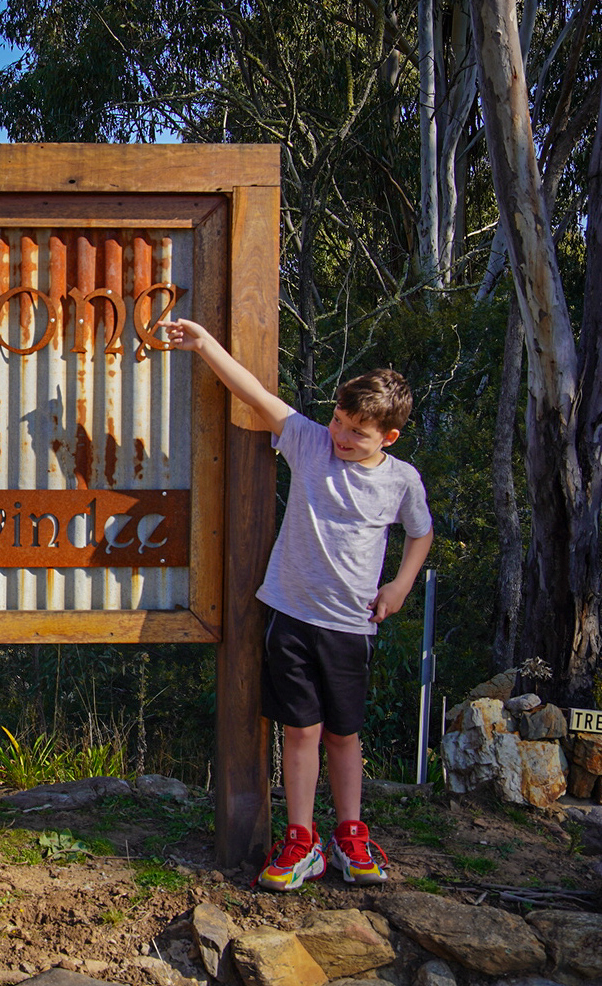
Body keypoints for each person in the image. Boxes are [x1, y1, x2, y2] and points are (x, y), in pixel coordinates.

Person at [163, 317, 432, 891]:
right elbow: (256, 396)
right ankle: (302, 839)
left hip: (351, 628)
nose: (342, 436)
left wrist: (400, 586)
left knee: (343, 735)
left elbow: (421, 532)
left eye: (358, 432)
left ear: (388, 437)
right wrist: (205, 344)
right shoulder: (310, 444)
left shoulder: (403, 481)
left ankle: (351, 836)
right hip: (291, 618)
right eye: (339, 420)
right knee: (302, 732)